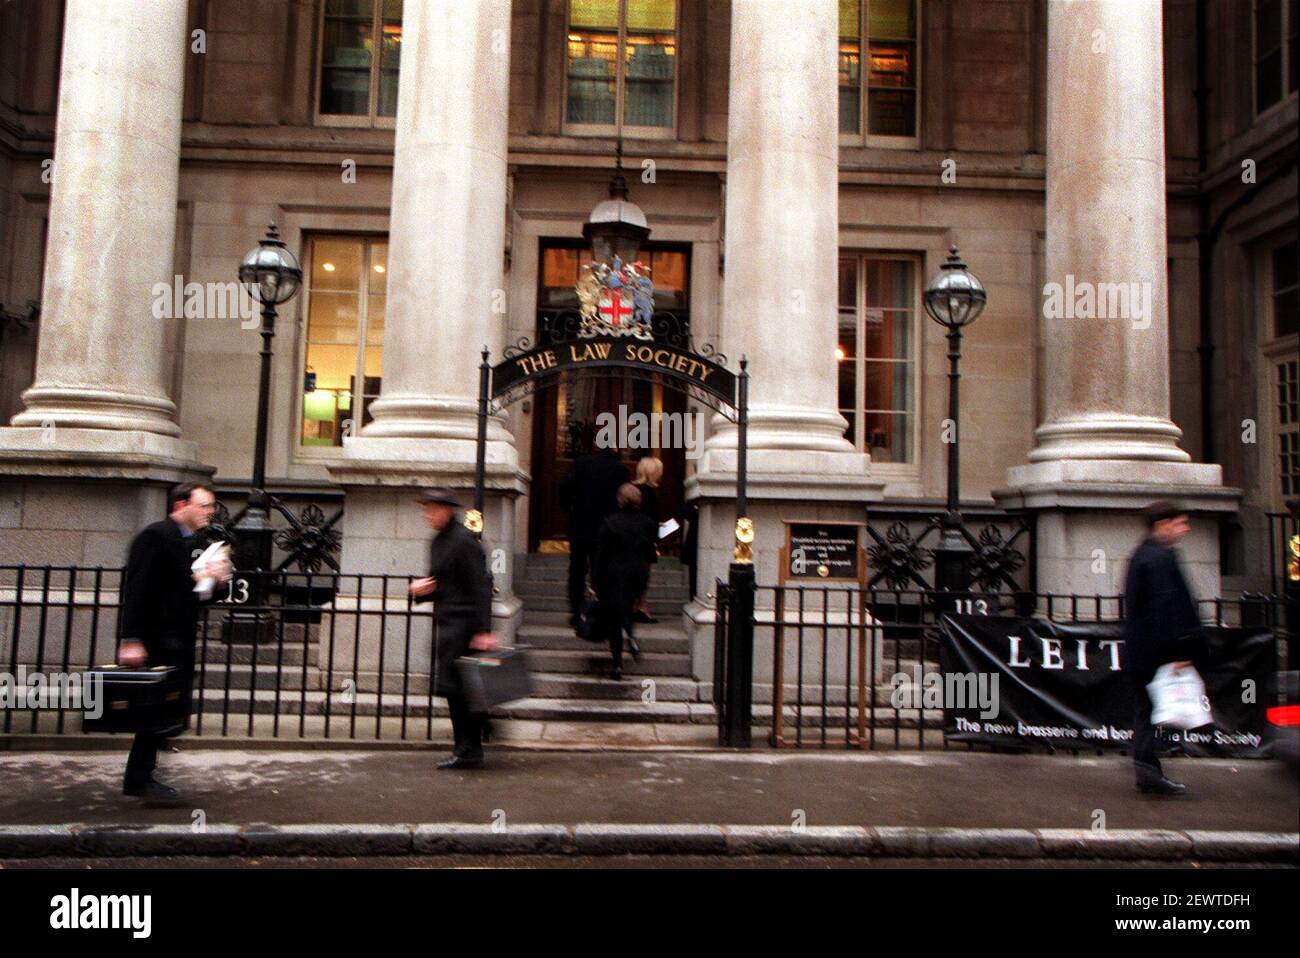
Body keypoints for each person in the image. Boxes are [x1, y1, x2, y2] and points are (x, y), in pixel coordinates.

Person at [118, 481, 231, 804]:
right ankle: (139, 779)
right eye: (204, 506)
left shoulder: (193, 543)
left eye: (211, 506)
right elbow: (137, 590)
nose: (211, 512)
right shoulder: (155, 537)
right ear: (181, 506)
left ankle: (142, 774)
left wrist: (217, 580)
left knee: (166, 712)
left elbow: (192, 595)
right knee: (156, 713)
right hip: (157, 639)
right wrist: (131, 638)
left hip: (178, 640)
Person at [408, 488, 499, 770]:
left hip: (465, 627)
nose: (427, 514)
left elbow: (481, 587)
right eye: (426, 509)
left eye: (432, 509)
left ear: (447, 510)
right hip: (447, 626)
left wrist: (484, 630)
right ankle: (475, 736)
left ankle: (469, 748)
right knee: (456, 690)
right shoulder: (438, 541)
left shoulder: (464, 541)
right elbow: (443, 583)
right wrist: (421, 590)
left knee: (458, 691)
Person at [1121, 500, 1206, 796]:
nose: (1185, 528)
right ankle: (1148, 773)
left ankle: (1148, 770)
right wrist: (1179, 652)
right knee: (1148, 714)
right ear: (1163, 524)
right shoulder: (1159, 558)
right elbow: (1166, 608)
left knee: (1147, 712)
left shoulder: (1142, 555)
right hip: (1155, 654)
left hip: (1143, 651)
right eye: (1180, 523)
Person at [559, 424, 628, 629]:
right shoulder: (621, 469)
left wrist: (568, 507)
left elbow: (565, 486)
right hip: (609, 529)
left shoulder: (581, 463)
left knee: (577, 569)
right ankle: (601, 611)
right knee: (604, 570)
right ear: (614, 445)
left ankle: (577, 609)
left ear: (597, 443)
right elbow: (624, 497)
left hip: (581, 525)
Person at [593, 483, 658, 680]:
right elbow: (650, 552)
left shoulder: (609, 522)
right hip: (637, 573)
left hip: (613, 573)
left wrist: (594, 581)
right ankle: (630, 635)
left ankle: (618, 664)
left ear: (619, 500)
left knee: (614, 618)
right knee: (627, 608)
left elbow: (601, 554)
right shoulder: (648, 523)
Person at [632, 456, 663, 624]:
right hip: (643, 541)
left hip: (629, 539)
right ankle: (641, 607)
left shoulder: (631, 488)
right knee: (642, 575)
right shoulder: (649, 492)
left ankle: (635, 606)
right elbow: (651, 518)